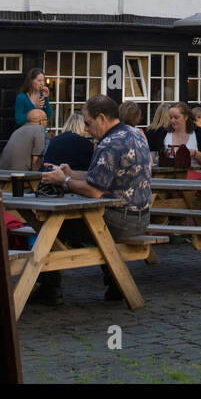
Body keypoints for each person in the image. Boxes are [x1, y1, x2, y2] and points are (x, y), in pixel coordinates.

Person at [40, 95, 152, 302]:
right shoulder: (134, 134)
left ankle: (48, 289)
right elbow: (102, 178)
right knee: (94, 224)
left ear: (102, 118)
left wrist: (63, 181)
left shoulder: (109, 143)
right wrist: (72, 173)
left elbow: (93, 191)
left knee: (52, 227)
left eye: (88, 122)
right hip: (141, 217)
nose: (85, 128)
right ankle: (116, 283)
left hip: (120, 220)